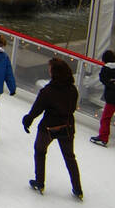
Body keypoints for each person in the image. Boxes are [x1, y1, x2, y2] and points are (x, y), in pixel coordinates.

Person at [22, 57, 83, 200]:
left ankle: (39, 181)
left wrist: (28, 120)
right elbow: (72, 108)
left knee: (40, 151)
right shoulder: (72, 90)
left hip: (48, 127)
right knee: (69, 157)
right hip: (67, 126)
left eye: (50, 69)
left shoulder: (48, 91)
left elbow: (37, 109)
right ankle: (78, 188)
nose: (48, 71)